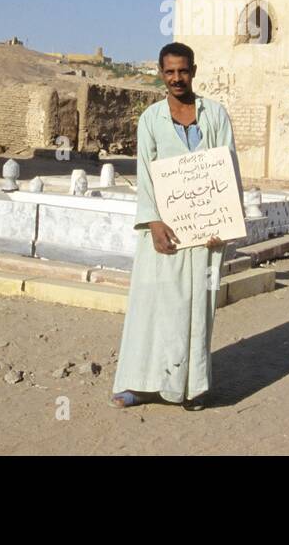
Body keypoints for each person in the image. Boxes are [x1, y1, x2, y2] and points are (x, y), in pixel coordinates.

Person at [111, 42, 241, 411]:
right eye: (169, 72)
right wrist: (153, 221)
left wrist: (224, 223)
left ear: (194, 71)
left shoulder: (214, 115)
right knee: (152, 305)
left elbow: (227, 169)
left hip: (206, 234)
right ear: (160, 73)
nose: (176, 78)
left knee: (197, 307)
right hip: (164, 230)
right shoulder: (150, 119)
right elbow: (145, 173)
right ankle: (138, 384)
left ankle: (192, 388)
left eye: (183, 71)